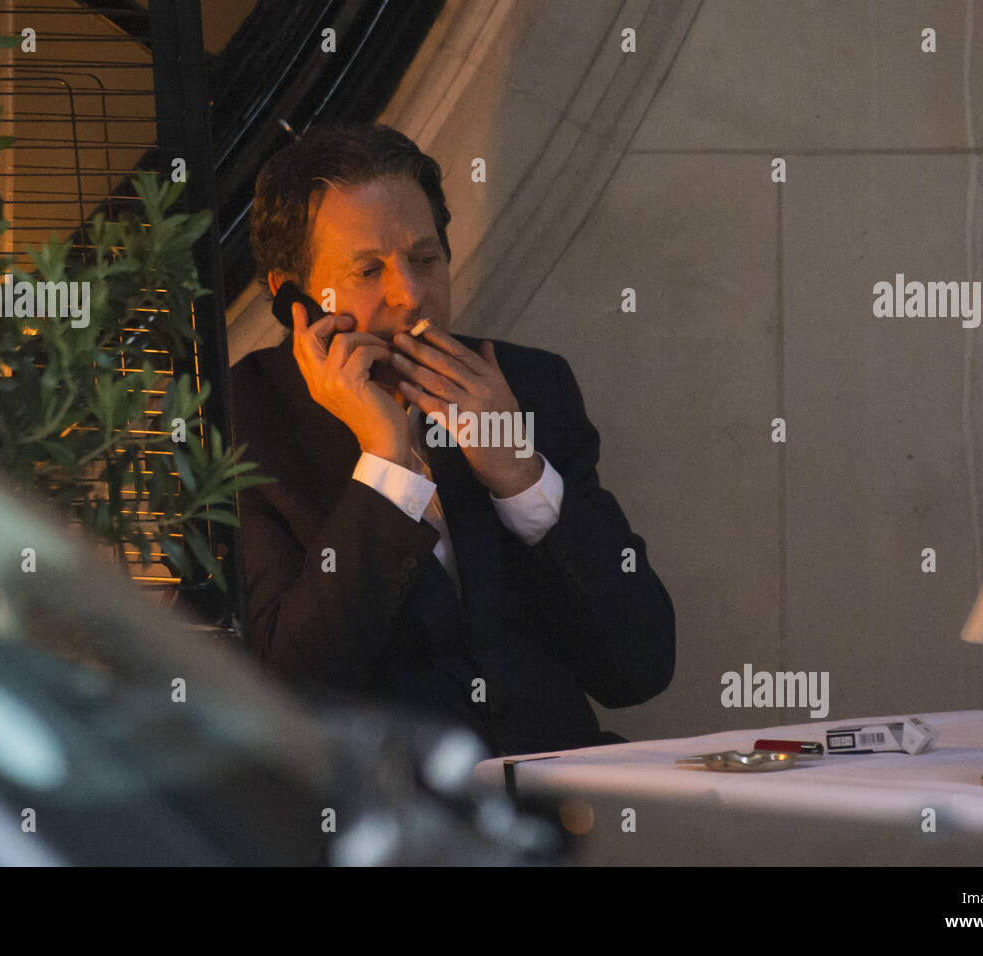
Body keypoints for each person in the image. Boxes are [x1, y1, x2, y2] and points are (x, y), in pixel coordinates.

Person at [231, 122, 674, 756]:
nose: (410, 294)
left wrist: (521, 476)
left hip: (553, 803)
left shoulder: (528, 384)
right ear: (291, 297)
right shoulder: (242, 422)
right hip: (379, 820)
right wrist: (387, 464)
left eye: (425, 258)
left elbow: (640, 667)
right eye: (368, 269)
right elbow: (285, 696)